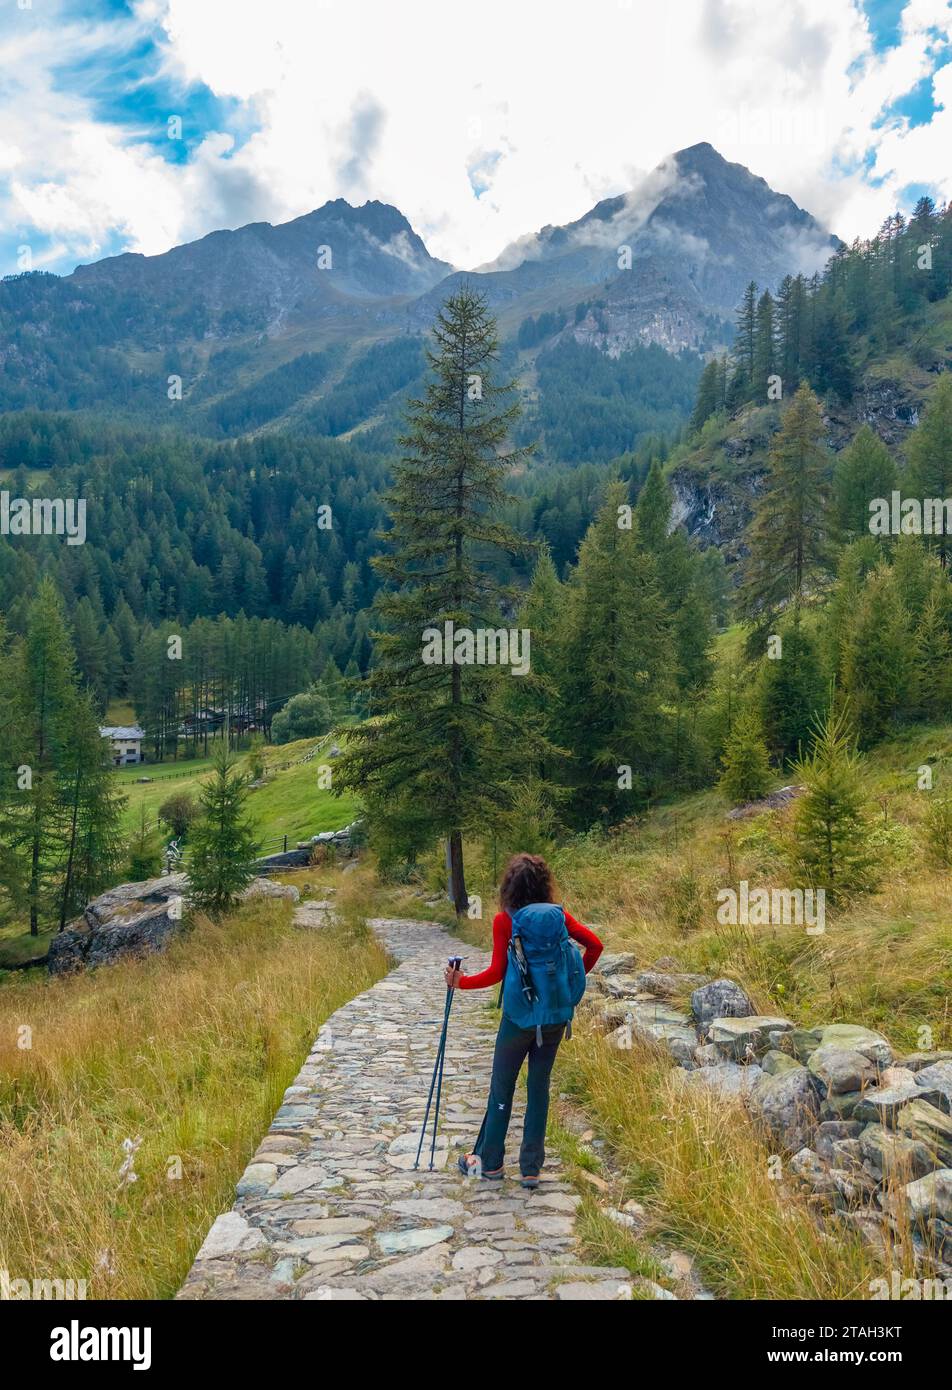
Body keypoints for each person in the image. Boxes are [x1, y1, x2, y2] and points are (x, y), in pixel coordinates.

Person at [444, 852, 602, 1187]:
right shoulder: (559, 917)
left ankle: (490, 1164)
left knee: (502, 1087)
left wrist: (461, 982)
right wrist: (568, 986)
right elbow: (595, 946)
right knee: (539, 1088)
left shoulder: (505, 921)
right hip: (555, 1020)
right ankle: (531, 1169)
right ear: (545, 884)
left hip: (518, 1020)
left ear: (510, 886)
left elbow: (496, 973)